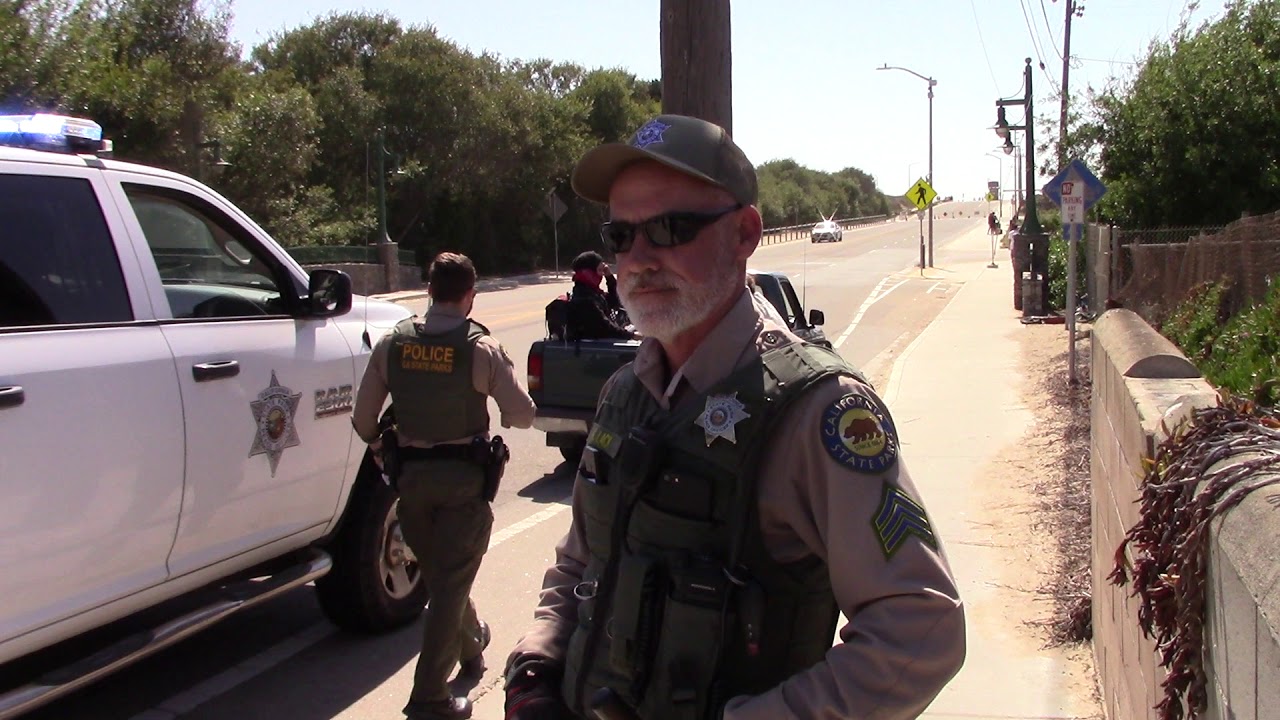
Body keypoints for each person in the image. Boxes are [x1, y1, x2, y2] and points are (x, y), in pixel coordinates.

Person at [502, 115, 965, 719]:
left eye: (671, 229)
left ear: (746, 233)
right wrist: (537, 667)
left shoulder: (819, 410)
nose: (638, 260)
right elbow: (583, 559)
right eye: (621, 235)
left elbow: (922, 629)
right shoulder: (626, 391)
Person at [353, 252, 537, 720]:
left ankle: (472, 642)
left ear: (429, 292)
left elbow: (362, 419)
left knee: (444, 578)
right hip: (462, 487)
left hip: (409, 486)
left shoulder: (393, 344)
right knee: (449, 581)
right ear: (470, 296)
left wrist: (381, 446)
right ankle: (429, 697)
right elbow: (522, 414)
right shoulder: (480, 349)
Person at [566, 250, 635, 340]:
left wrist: (609, 277)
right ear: (588, 273)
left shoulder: (593, 293)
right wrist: (635, 336)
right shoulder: (584, 299)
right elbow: (607, 329)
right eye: (599, 270)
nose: (602, 275)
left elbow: (615, 301)